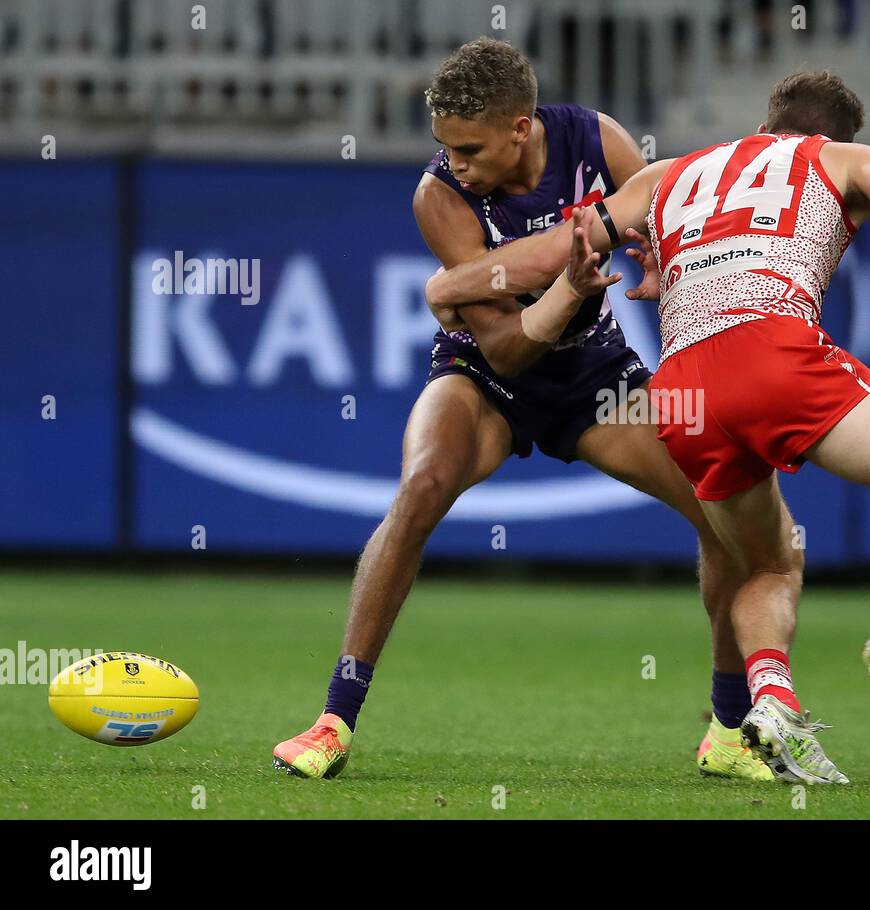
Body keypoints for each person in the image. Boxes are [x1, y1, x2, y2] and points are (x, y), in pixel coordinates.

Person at [426, 70, 870, 784]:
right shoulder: (839, 160)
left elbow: (555, 250)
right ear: (831, 136)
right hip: (773, 356)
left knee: (766, 561)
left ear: (765, 125)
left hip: (681, 395)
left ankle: (772, 705)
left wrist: (452, 284)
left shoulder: (669, 174)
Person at [273, 38, 770, 782]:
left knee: (721, 510)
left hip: (593, 376)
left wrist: (664, 266)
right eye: (443, 146)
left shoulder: (598, 141)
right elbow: (504, 348)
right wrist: (569, 284)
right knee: (420, 490)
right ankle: (333, 720)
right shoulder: (438, 197)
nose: (455, 163)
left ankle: (729, 731)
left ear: (520, 127)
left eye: (469, 148)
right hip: (486, 377)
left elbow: (663, 224)